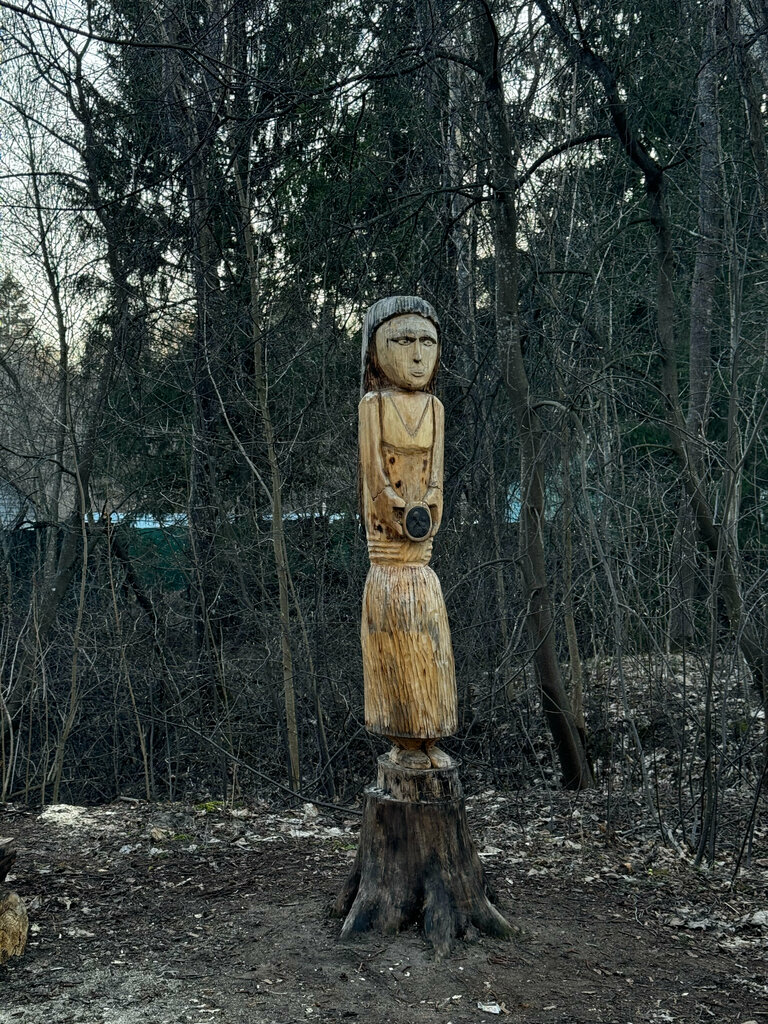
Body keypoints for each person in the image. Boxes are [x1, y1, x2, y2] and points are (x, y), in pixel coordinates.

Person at [358, 296, 457, 769]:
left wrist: (429, 508)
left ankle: (429, 736)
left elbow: (437, 476)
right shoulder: (373, 406)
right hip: (388, 557)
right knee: (396, 651)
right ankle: (402, 738)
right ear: (376, 350)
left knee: (431, 648)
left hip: (422, 561)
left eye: (428, 341)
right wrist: (395, 510)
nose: (418, 354)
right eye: (403, 340)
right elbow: (374, 476)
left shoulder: (436, 408)